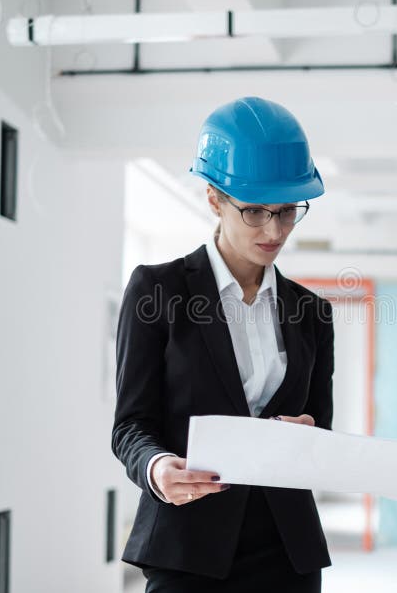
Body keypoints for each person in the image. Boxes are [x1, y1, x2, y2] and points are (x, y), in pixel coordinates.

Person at [112, 96, 334, 593]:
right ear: (214, 199)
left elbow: (321, 422)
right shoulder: (158, 291)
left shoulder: (312, 312)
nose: (274, 230)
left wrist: (311, 433)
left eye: (287, 211)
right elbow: (130, 425)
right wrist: (157, 467)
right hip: (187, 544)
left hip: (287, 550)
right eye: (254, 211)